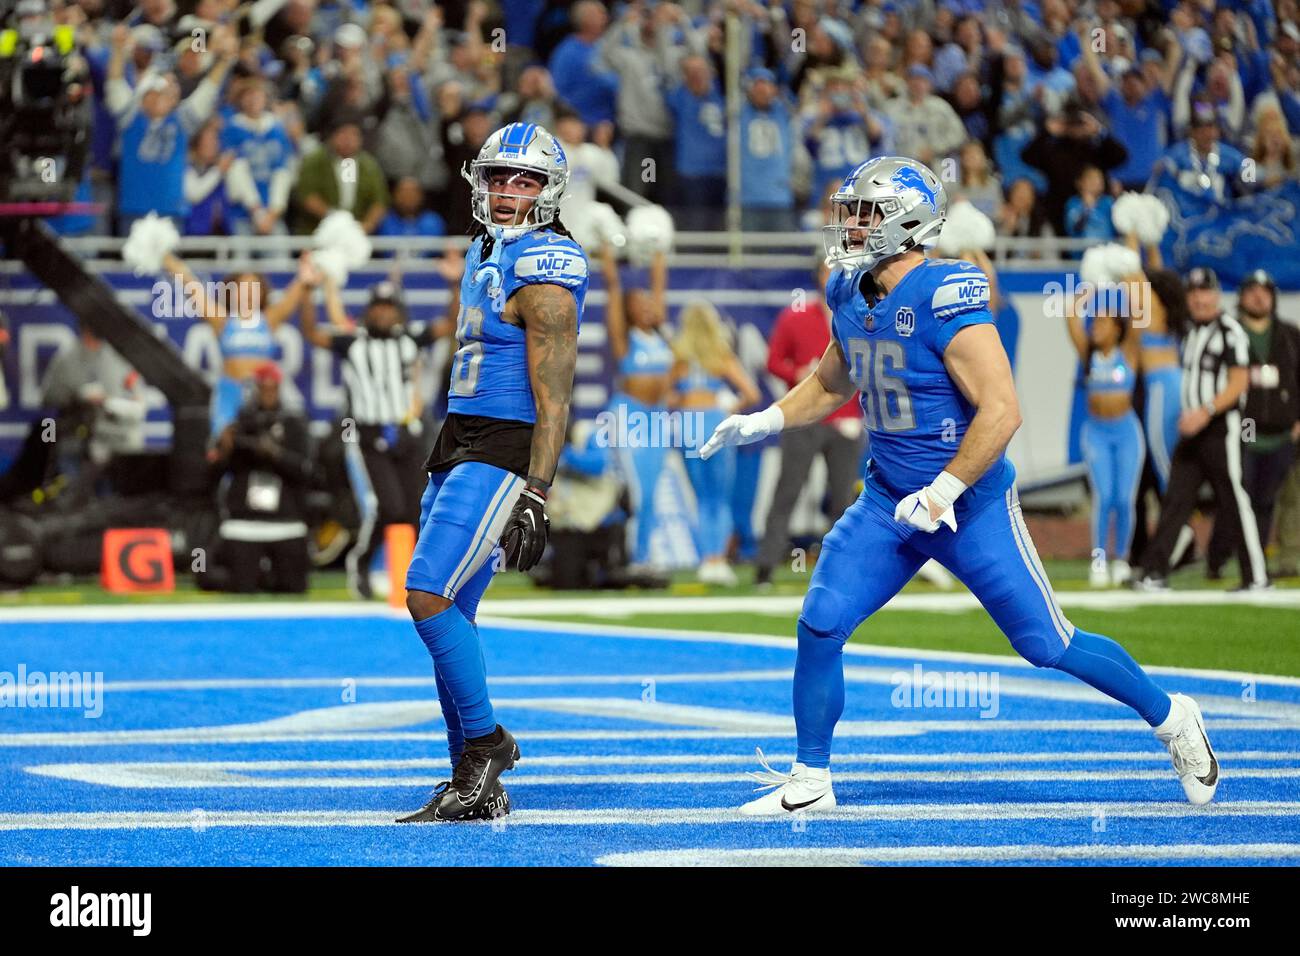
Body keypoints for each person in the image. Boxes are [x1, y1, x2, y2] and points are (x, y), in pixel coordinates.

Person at [701, 156, 1219, 815]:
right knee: (821, 620)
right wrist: (766, 419)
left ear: (906, 223)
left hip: (969, 506)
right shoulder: (845, 290)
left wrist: (944, 489)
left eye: (865, 213)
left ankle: (1172, 716)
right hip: (890, 499)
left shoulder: (948, 293)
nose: (851, 226)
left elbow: (1002, 408)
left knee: (1045, 643)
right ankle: (811, 780)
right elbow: (836, 379)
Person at [398, 123, 588, 823]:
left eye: (525, 181)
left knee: (426, 594)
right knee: (456, 612)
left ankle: (488, 743)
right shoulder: (485, 246)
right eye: (498, 178)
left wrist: (538, 491)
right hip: (458, 438)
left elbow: (556, 394)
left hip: (503, 446)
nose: (507, 192)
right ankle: (474, 785)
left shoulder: (548, 267)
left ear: (549, 192)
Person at [299, 273, 451, 600]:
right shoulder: (353, 342)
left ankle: (413, 576)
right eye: (378, 308)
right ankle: (362, 564)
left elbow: (448, 325)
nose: (383, 314)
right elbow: (311, 333)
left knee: (412, 509)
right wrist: (309, 291)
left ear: (399, 311)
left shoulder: (411, 338)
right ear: (369, 311)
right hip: (369, 436)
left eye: (389, 307)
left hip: (407, 433)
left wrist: (454, 284)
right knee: (388, 506)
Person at [1134, 267, 1269, 591]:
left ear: (1217, 294)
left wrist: (1205, 411)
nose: (1198, 298)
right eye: (1193, 292)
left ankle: (1257, 577)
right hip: (1192, 429)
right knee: (1175, 501)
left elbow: (1239, 382)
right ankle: (1155, 572)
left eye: (1204, 291)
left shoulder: (1230, 330)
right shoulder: (1191, 331)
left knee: (1235, 498)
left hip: (1222, 427)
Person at [756, 255, 863, 588]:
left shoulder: (861, 316)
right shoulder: (796, 315)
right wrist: (797, 373)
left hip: (847, 420)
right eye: (829, 270)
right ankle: (766, 567)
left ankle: (839, 572)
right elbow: (773, 362)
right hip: (806, 418)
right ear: (819, 275)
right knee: (788, 489)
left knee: (843, 499)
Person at [160, 249, 317, 438]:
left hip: (261, 397)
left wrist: (307, 267)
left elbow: (297, 290)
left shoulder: (269, 320)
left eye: (254, 288)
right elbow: (193, 287)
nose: (248, 294)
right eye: (243, 288)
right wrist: (166, 257)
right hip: (229, 394)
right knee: (224, 445)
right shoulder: (223, 321)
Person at [1205, 269, 1300, 578]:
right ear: (1242, 297)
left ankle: (1255, 562)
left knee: (1266, 501)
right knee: (1236, 499)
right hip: (1243, 428)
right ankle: (1218, 557)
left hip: (1281, 431)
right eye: (1252, 291)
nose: (1259, 297)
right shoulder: (1229, 332)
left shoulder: (1288, 334)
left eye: (1265, 291)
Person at [669, 302, 760, 586]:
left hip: (689, 426)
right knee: (720, 499)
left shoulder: (679, 357)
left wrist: (685, 400)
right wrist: (730, 405)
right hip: (715, 424)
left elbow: (667, 397)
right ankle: (718, 561)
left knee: (702, 497)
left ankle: (707, 558)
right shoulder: (720, 355)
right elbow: (752, 394)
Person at [206, 362, 314, 594]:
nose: (267, 393)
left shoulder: (294, 423)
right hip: (244, 523)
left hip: (286, 522)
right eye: (262, 387)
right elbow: (212, 475)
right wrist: (225, 450)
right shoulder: (240, 426)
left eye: (272, 387)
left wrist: (275, 453)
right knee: (237, 585)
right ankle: (257, 573)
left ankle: (267, 574)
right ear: (255, 389)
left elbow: (307, 471)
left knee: (294, 588)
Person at [1065, 286, 1145, 587]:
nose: (1095, 326)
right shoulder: (1088, 353)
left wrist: (1124, 285)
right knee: (1104, 497)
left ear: (1117, 328)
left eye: (1102, 322)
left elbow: (1139, 314)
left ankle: (1121, 559)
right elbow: (1071, 316)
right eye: (1094, 321)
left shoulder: (1130, 353)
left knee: (1125, 499)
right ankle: (1099, 560)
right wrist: (1090, 289)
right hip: (1096, 433)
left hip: (1126, 433)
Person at [601, 242, 672, 570]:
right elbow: (614, 294)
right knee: (637, 490)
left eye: (649, 303)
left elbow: (659, 289)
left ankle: (642, 556)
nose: (646, 308)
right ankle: (625, 554)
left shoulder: (660, 336)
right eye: (639, 304)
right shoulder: (624, 339)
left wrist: (657, 248)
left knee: (653, 489)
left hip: (657, 418)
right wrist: (609, 265)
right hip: (629, 417)